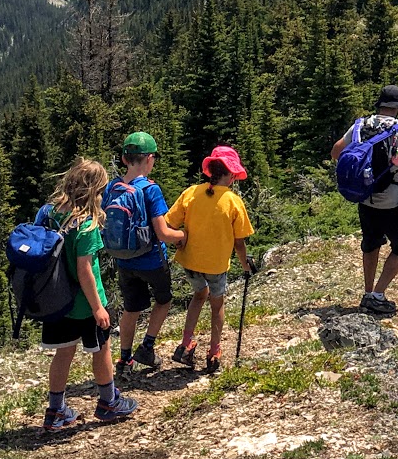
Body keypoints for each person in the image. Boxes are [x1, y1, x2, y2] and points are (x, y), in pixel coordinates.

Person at [40, 158, 139, 431]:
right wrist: (98, 308)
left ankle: (55, 410)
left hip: (58, 300)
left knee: (64, 353)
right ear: (93, 190)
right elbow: (85, 270)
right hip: (85, 304)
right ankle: (108, 402)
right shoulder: (86, 224)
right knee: (102, 349)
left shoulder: (51, 212)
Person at [331, 85, 398, 315]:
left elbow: (335, 153)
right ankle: (378, 295)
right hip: (393, 201)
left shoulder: (359, 126)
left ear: (380, 105)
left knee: (371, 243)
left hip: (365, 198)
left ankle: (367, 291)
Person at [166, 145, 255, 372]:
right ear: (232, 174)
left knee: (199, 295)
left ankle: (186, 343)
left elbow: (170, 224)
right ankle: (214, 351)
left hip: (190, 261)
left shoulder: (191, 192)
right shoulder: (233, 201)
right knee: (217, 305)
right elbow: (239, 242)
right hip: (216, 265)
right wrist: (246, 265)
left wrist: (180, 240)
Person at [105, 131, 185, 374]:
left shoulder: (112, 187)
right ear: (149, 159)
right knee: (164, 300)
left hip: (123, 260)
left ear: (124, 159)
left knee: (132, 308)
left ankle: (124, 360)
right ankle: (147, 347)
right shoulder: (150, 189)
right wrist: (183, 236)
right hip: (151, 260)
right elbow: (162, 233)